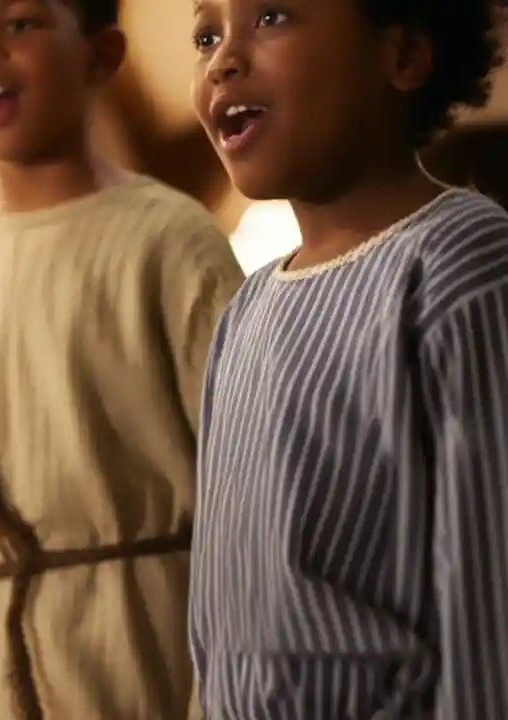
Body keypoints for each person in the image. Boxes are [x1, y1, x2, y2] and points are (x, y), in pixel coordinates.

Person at [0, 0, 244, 717]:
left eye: (19, 24)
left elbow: (248, 512)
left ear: (100, 56)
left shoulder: (170, 243)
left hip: (142, 662)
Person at [188, 0, 508, 716]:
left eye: (271, 17)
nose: (223, 59)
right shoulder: (246, 311)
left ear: (402, 57)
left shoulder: (461, 261)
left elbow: (489, 603)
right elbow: (218, 624)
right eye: (207, 34)